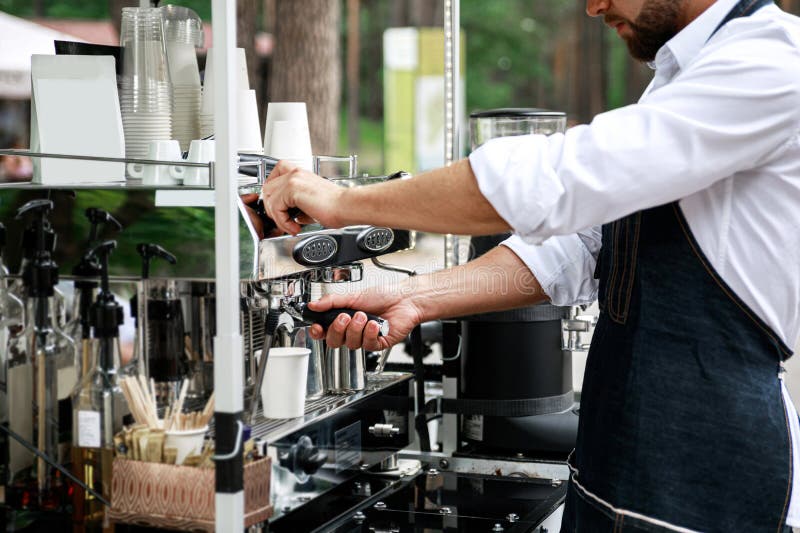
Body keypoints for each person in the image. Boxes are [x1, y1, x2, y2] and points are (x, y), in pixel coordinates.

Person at [262, 0, 800, 530]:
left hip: (713, 476)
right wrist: (415, 296)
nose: (594, 7)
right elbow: (579, 246)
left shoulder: (770, 60)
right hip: (614, 469)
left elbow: (559, 179)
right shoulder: (681, 76)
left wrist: (342, 202)